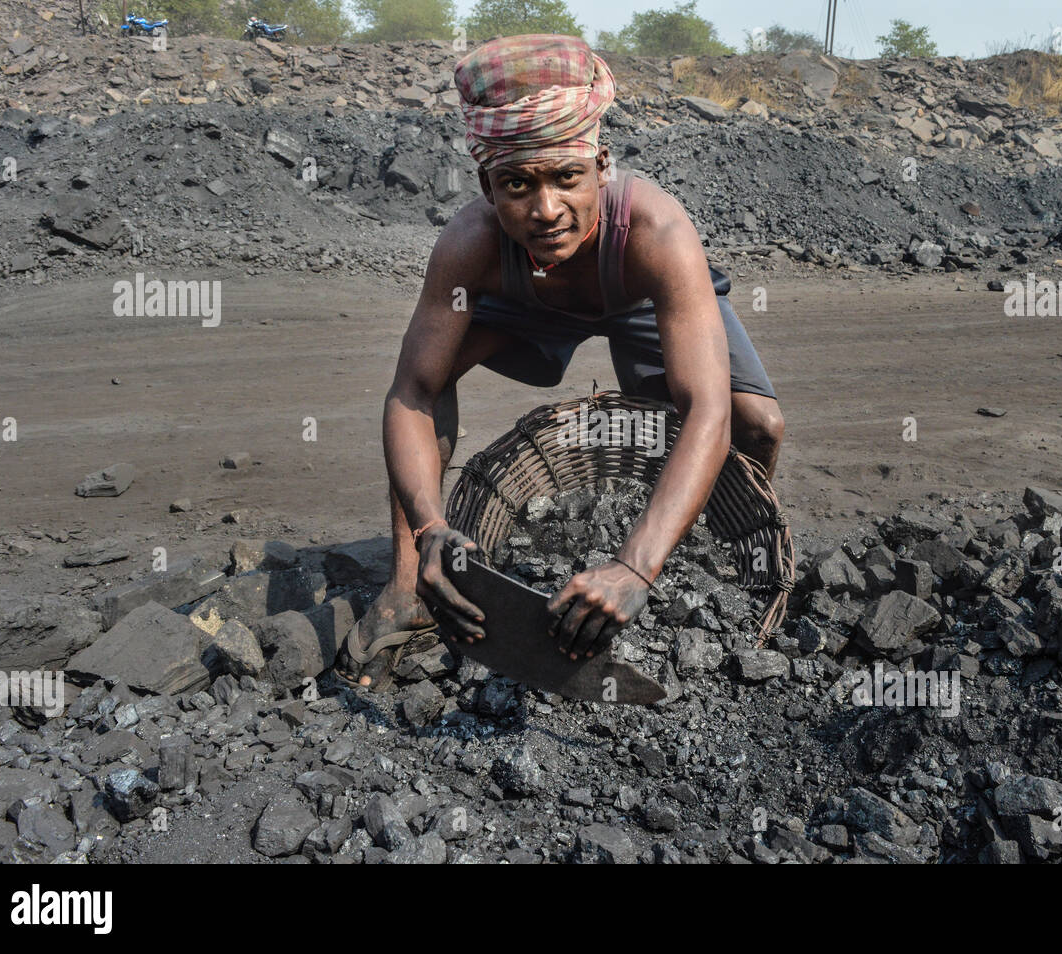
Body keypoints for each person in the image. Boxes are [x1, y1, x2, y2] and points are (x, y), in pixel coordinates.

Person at [334, 34, 785, 689]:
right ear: (487, 184)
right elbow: (413, 392)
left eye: (566, 178)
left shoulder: (657, 233)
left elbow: (706, 410)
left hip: (629, 297)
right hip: (531, 304)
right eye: (517, 184)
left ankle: (708, 550)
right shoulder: (472, 245)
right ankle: (408, 585)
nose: (545, 210)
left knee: (756, 422)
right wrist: (432, 528)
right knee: (432, 372)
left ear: (600, 166)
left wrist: (633, 566)